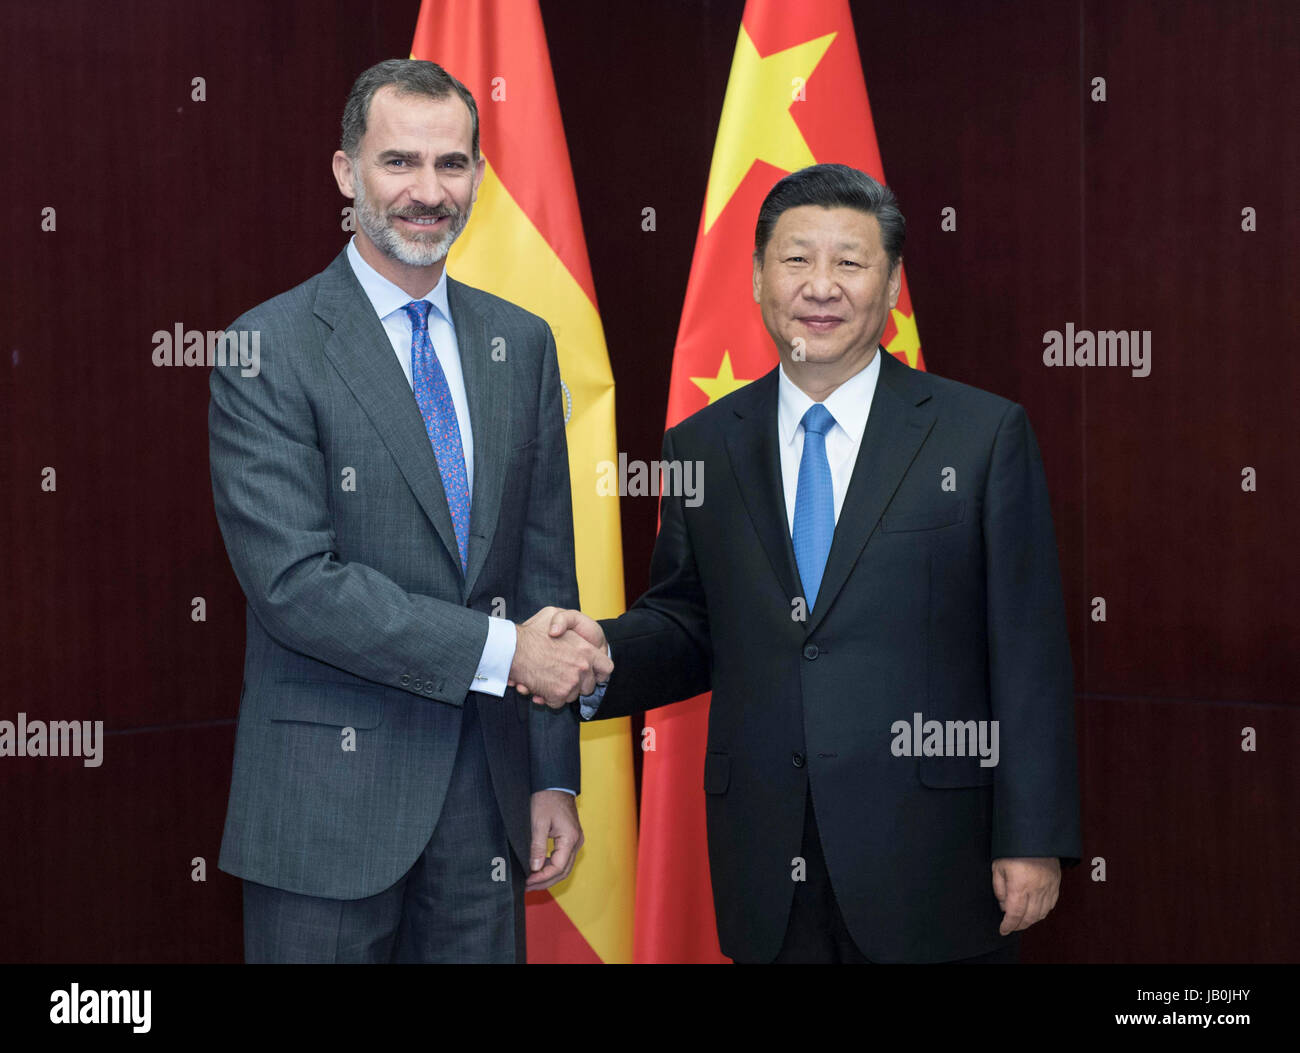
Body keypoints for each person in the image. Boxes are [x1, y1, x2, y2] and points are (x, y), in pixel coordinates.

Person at [531, 164, 1082, 963]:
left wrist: (1033, 837)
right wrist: (600, 655)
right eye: (796, 260)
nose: (820, 286)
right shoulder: (704, 442)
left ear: (891, 285)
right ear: (758, 277)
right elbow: (689, 622)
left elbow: (1029, 655)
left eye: (850, 263)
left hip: (935, 860)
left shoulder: (981, 436)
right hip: (768, 857)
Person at [208, 58, 611, 964]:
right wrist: (509, 655)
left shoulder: (524, 342)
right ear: (347, 173)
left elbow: (546, 569)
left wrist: (554, 776)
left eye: (453, 165)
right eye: (399, 163)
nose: (429, 192)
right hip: (325, 813)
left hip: (489, 806)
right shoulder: (264, 348)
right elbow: (296, 586)